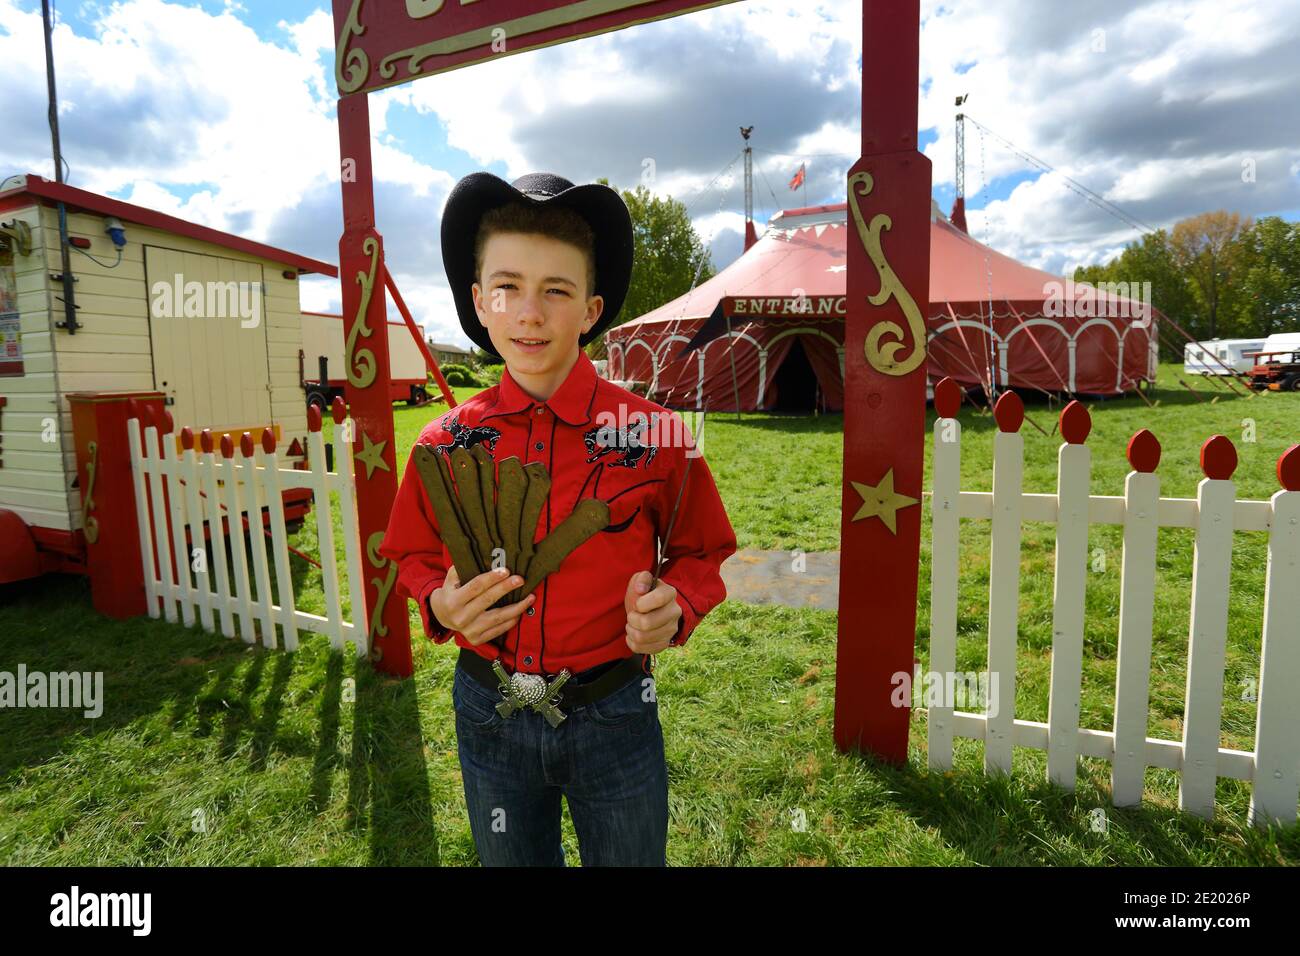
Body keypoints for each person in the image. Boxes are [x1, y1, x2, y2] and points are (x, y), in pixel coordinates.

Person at [379, 171, 737, 866]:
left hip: (616, 712)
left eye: (557, 291)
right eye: (508, 288)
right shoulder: (442, 445)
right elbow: (411, 556)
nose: (530, 314)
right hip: (490, 712)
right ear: (480, 302)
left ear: (591, 308)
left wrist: (677, 603)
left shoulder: (658, 436)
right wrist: (441, 603)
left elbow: (705, 552)